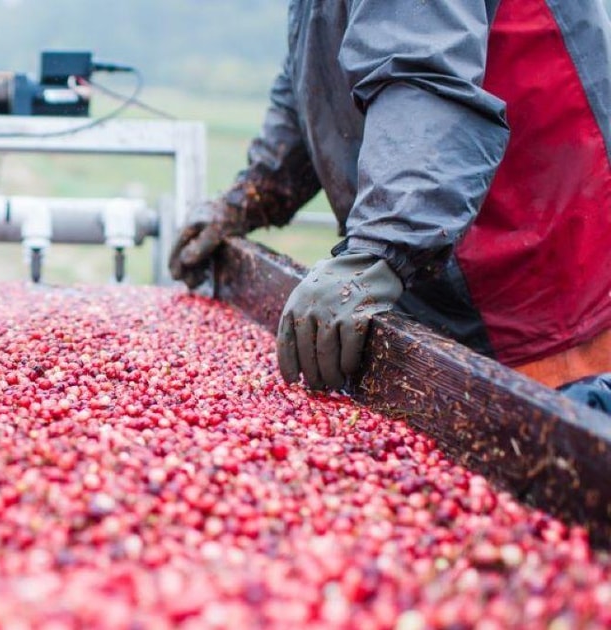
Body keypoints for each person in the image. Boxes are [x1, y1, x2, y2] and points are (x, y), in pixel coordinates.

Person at [170, 0, 611, 404]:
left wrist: (382, 246)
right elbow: (316, 79)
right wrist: (252, 195)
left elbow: (425, 81)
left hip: (541, 284)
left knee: (547, 470)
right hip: (440, 270)